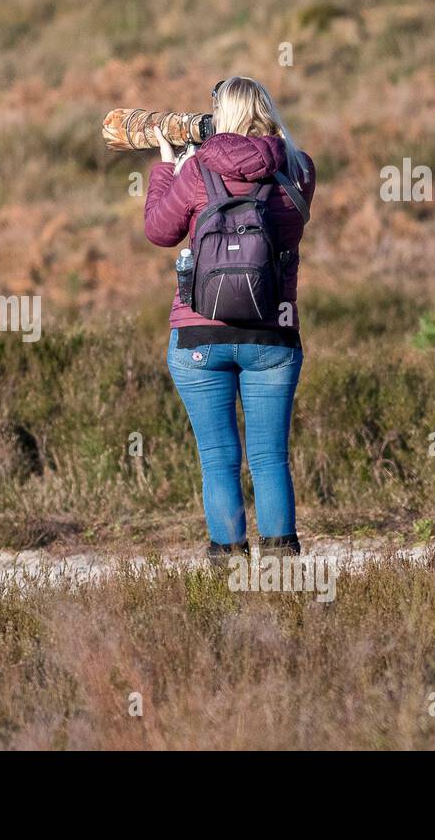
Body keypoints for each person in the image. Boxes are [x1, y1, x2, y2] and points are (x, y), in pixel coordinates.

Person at [144, 76, 316, 564]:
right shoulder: (300, 169)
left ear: (220, 117)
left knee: (218, 460)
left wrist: (165, 169)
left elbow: (159, 230)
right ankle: (281, 575)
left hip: (199, 334)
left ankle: (227, 573)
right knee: (269, 459)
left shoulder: (196, 169)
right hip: (273, 332)